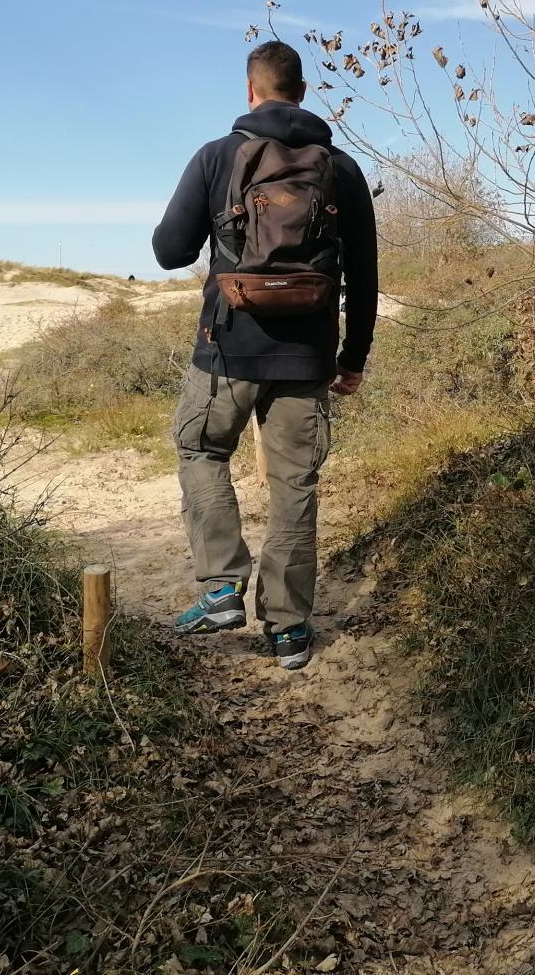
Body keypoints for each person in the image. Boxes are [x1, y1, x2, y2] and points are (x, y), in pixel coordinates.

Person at [150, 40, 378, 670]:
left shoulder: (216, 156)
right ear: (303, 93)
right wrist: (351, 357)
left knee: (200, 447)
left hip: (225, 350)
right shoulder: (342, 168)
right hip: (307, 360)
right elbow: (364, 277)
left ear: (250, 91)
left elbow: (169, 252)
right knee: (294, 486)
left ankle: (222, 585)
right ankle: (290, 628)